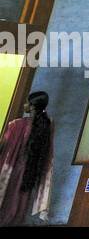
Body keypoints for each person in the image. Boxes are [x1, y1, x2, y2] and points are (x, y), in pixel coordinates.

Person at [0, 91, 54, 225]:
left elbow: (4, 145)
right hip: (32, 169)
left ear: (32, 106)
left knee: (7, 196)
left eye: (27, 103)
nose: (24, 105)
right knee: (21, 201)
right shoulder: (48, 125)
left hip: (13, 168)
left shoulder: (16, 125)